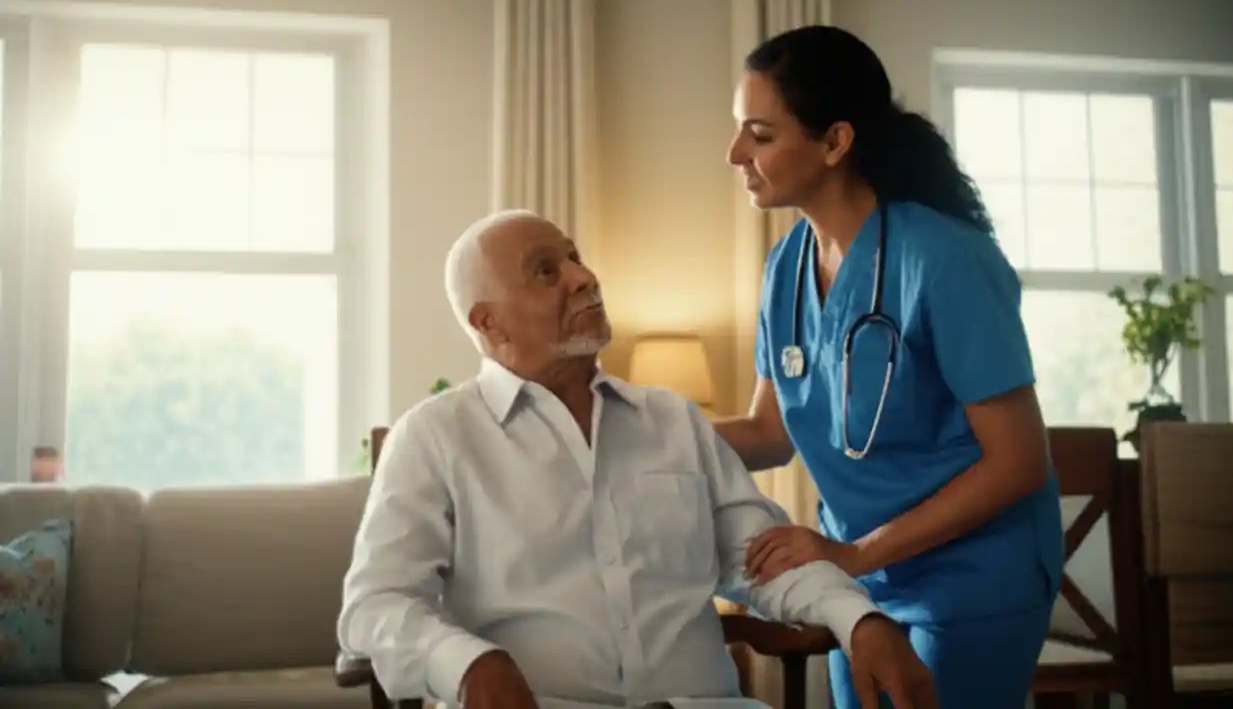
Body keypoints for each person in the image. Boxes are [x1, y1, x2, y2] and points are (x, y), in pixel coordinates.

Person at [338, 210, 938, 709]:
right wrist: (468, 665)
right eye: (547, 272)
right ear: (487, 322)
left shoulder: (673, 420)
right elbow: (376, 604)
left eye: (576, 257)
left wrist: (860, 619)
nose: (582, 277)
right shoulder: (435, 437)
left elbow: (763, 555)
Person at [717, 26, 1065, 709]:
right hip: (863, 582)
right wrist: (637, 426)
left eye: (759, 135)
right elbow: (770, 431)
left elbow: (1018, 461)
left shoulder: (944, 259)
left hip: (971, 577)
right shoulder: (786, 266)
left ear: (835, 141)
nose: (735, 154)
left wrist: (855, 555)